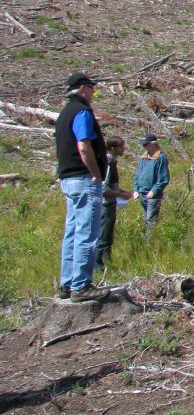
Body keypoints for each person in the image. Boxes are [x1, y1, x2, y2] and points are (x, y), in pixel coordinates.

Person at [55, 72, 110, 302]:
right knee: (87, 232)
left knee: (73, 231)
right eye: (91, 88)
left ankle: (67, 283)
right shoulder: (82, 112)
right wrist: (96, 174)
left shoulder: (64, 114)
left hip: (68, 178)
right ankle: (81, 285)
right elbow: (84, 146)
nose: (93, 93)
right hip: (83, 177)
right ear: (82, 89)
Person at [96, 136, 132, 267]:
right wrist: (121, 195)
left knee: (107, 235)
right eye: (121, 146)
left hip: (109, 203)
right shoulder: (108, 163)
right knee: (104, 236)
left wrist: (123, 193)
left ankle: (106, 264)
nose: (124, 149)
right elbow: (104, 189)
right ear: (112, 148)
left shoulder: (110, 162)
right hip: (106, 204)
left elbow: (111, 186)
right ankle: (100, 265)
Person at [133, 133, 170, 235]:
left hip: (153, 196)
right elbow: (137, 175)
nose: (143, 146)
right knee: (146, 220)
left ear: (153, 144)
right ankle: (147, 243)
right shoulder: (144, 157)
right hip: (142, 194)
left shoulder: (161, 158)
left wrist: (153, 192)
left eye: (145, 144)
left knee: (151, 221)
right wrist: (136, 189)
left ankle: (151, 245)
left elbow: (163, 179)